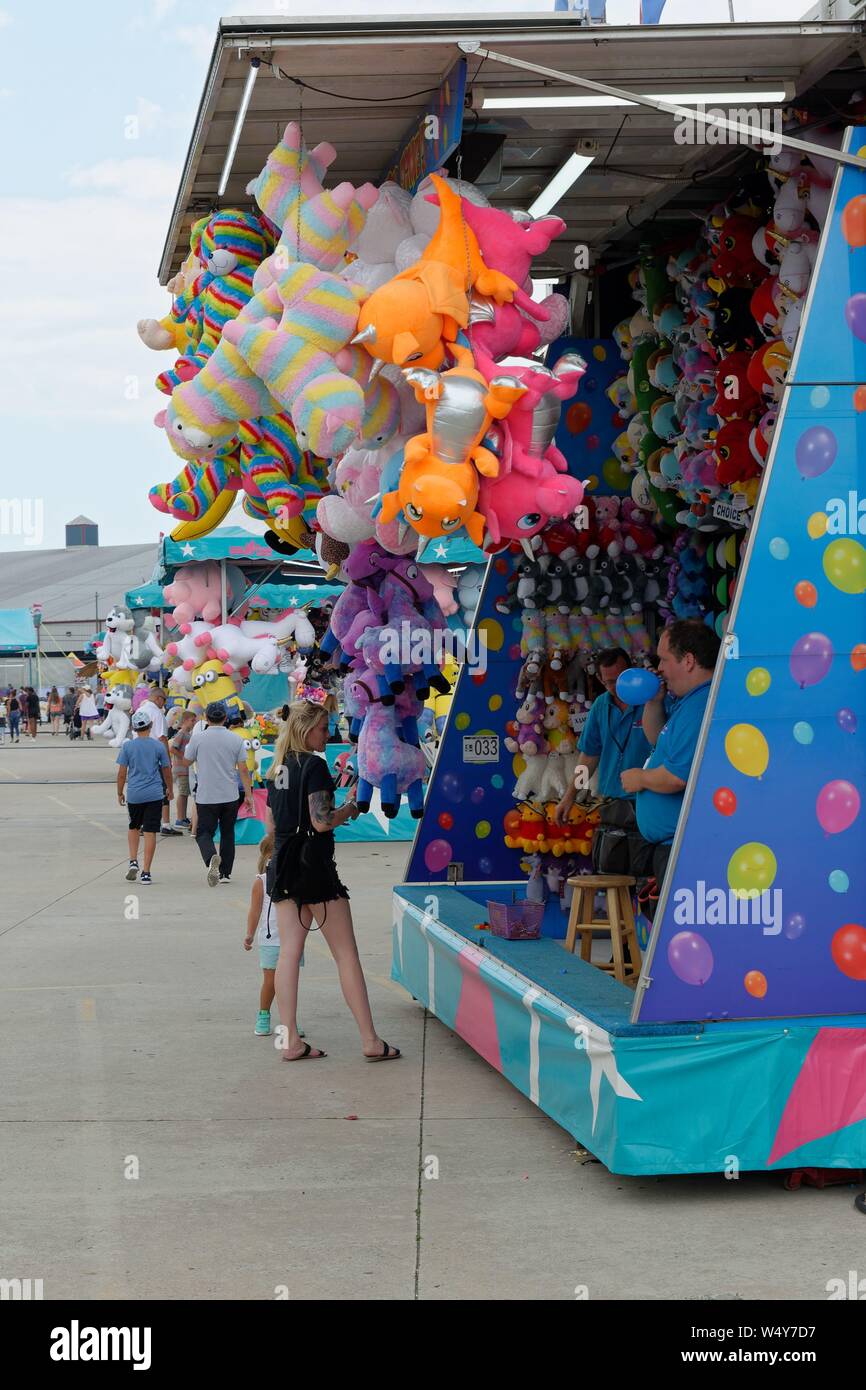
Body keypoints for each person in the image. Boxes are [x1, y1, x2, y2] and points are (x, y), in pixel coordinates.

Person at [265, 698, 400, 1063]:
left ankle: (290, 1039)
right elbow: (322, 820)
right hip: (315, 868)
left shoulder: (277, 767)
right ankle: (370, 1039)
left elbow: (272, 825)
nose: (329, 733)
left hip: (283, 867)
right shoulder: (314, 767)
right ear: (307, 730)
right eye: (324, 728)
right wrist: (352, 808)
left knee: (289, 955)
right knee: (346, 954)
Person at [620, 619, 721, 902]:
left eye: (664, 659)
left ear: (688, 660)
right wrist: (654, 702)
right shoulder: (688, 702)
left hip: (686, 848)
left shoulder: (701, 706)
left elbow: (678, 776)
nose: (660, 668)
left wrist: (640, 778)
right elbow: (658, 741)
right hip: (672, 845)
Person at [553, 647, 653, 829]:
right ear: (600, 679)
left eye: (622, 678)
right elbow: (589, 757)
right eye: (610, 682)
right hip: (611, 803)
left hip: (649, 802)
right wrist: (570, 796)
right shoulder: (600, 705)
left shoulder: (651, 701)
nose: (618, 686)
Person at [183, 702, 254, 886]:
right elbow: (244, 770)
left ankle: (211, 858)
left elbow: (186, 761)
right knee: (228, 833)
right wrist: (248, 794)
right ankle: (225, 874)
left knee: (203, 832)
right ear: (225, 718)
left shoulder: (198, 739)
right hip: (230, 794)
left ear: (206, 718)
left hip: (207, 795)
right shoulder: (235, 739)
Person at [243, 834, 307, 1039]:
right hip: (271, 940)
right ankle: (263, 1015)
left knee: (290, 982)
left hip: (292, 938)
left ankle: (289, 1023)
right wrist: (250, 934)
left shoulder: (297, 877)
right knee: (271, 981)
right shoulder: (261, 882)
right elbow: (254, 911)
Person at [116, 709, 173, 885]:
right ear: (150, 725)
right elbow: (166, 770)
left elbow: (121, 773)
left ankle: (133, 860)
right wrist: (170, 788)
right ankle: (146, 872)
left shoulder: (128, 746)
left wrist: (119, 792)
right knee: (150, 832)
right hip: (154, 794)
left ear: (133, 728)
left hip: (134, 794)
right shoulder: (158, 746)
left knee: (133, 827)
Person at [135, 685, 182, 836]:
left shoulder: (139, 711)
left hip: (139, 755)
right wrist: (167, 760)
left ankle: (141, 823)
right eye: (164, 699)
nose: (165, 703)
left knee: (143, 789)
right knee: (164, 789)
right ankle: (166, 824)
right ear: (157, 698)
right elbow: (162, 738)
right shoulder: (157, 713)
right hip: (154, 756)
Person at [168, 709, 196, 829]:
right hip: (181, 768)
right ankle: (180, 818)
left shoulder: (188, 734)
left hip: (185, 768)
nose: (194, 723)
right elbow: (173, 748)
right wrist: (184, 758)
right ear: (185, 720)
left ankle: (183, 817)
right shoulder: (181, 733)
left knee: (185, 793)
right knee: (183, 793)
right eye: (192, 720)